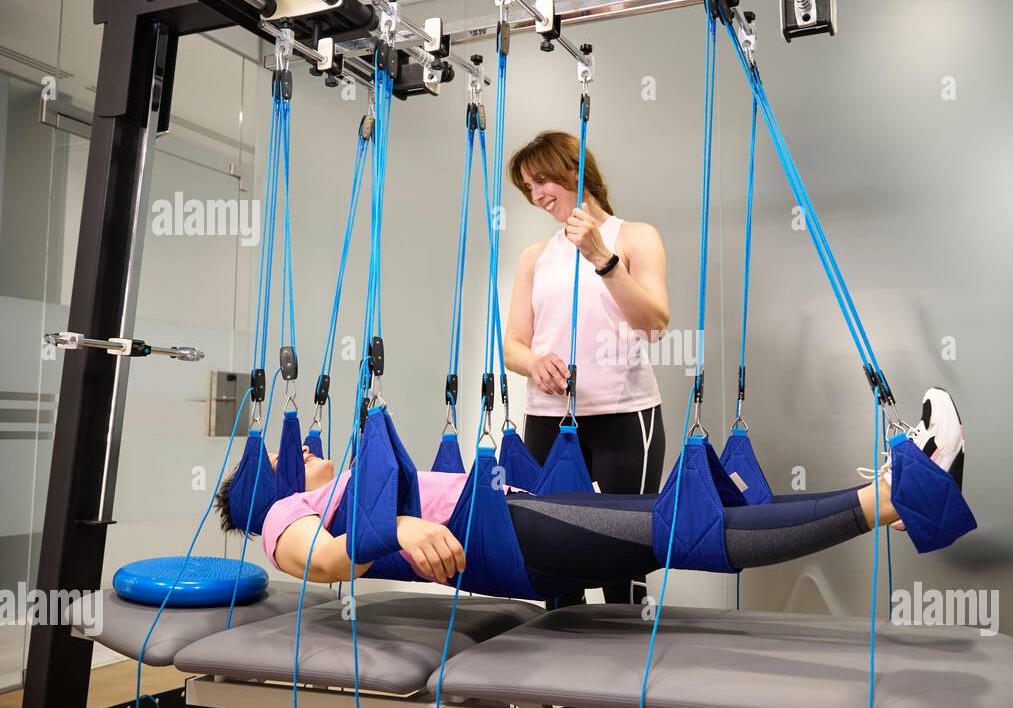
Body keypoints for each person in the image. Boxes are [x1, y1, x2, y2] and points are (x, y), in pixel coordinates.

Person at [214, 389, 968, 592]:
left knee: (704, 521)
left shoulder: (343, 485)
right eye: (298, 453)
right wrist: (403, 532)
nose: (311, 447)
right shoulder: (287, 513)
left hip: (519, 526)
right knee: (690, 532)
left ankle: (897, 500)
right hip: (509, 537)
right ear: (272, 485)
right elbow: (321, 563)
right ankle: (899, 497)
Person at [501, 130, 670, 607]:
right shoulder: (535, 256)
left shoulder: (636, 237)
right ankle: (558, 673)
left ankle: (625, 672)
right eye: (527, 188)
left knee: (624, 555)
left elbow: (655, 323)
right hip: (549, 419)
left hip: (625, 417)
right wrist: (535, 363)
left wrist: (602, 258)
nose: (535, 196)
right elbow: (512, 346)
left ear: (573, 171)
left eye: (540, 182)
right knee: (554, 552)